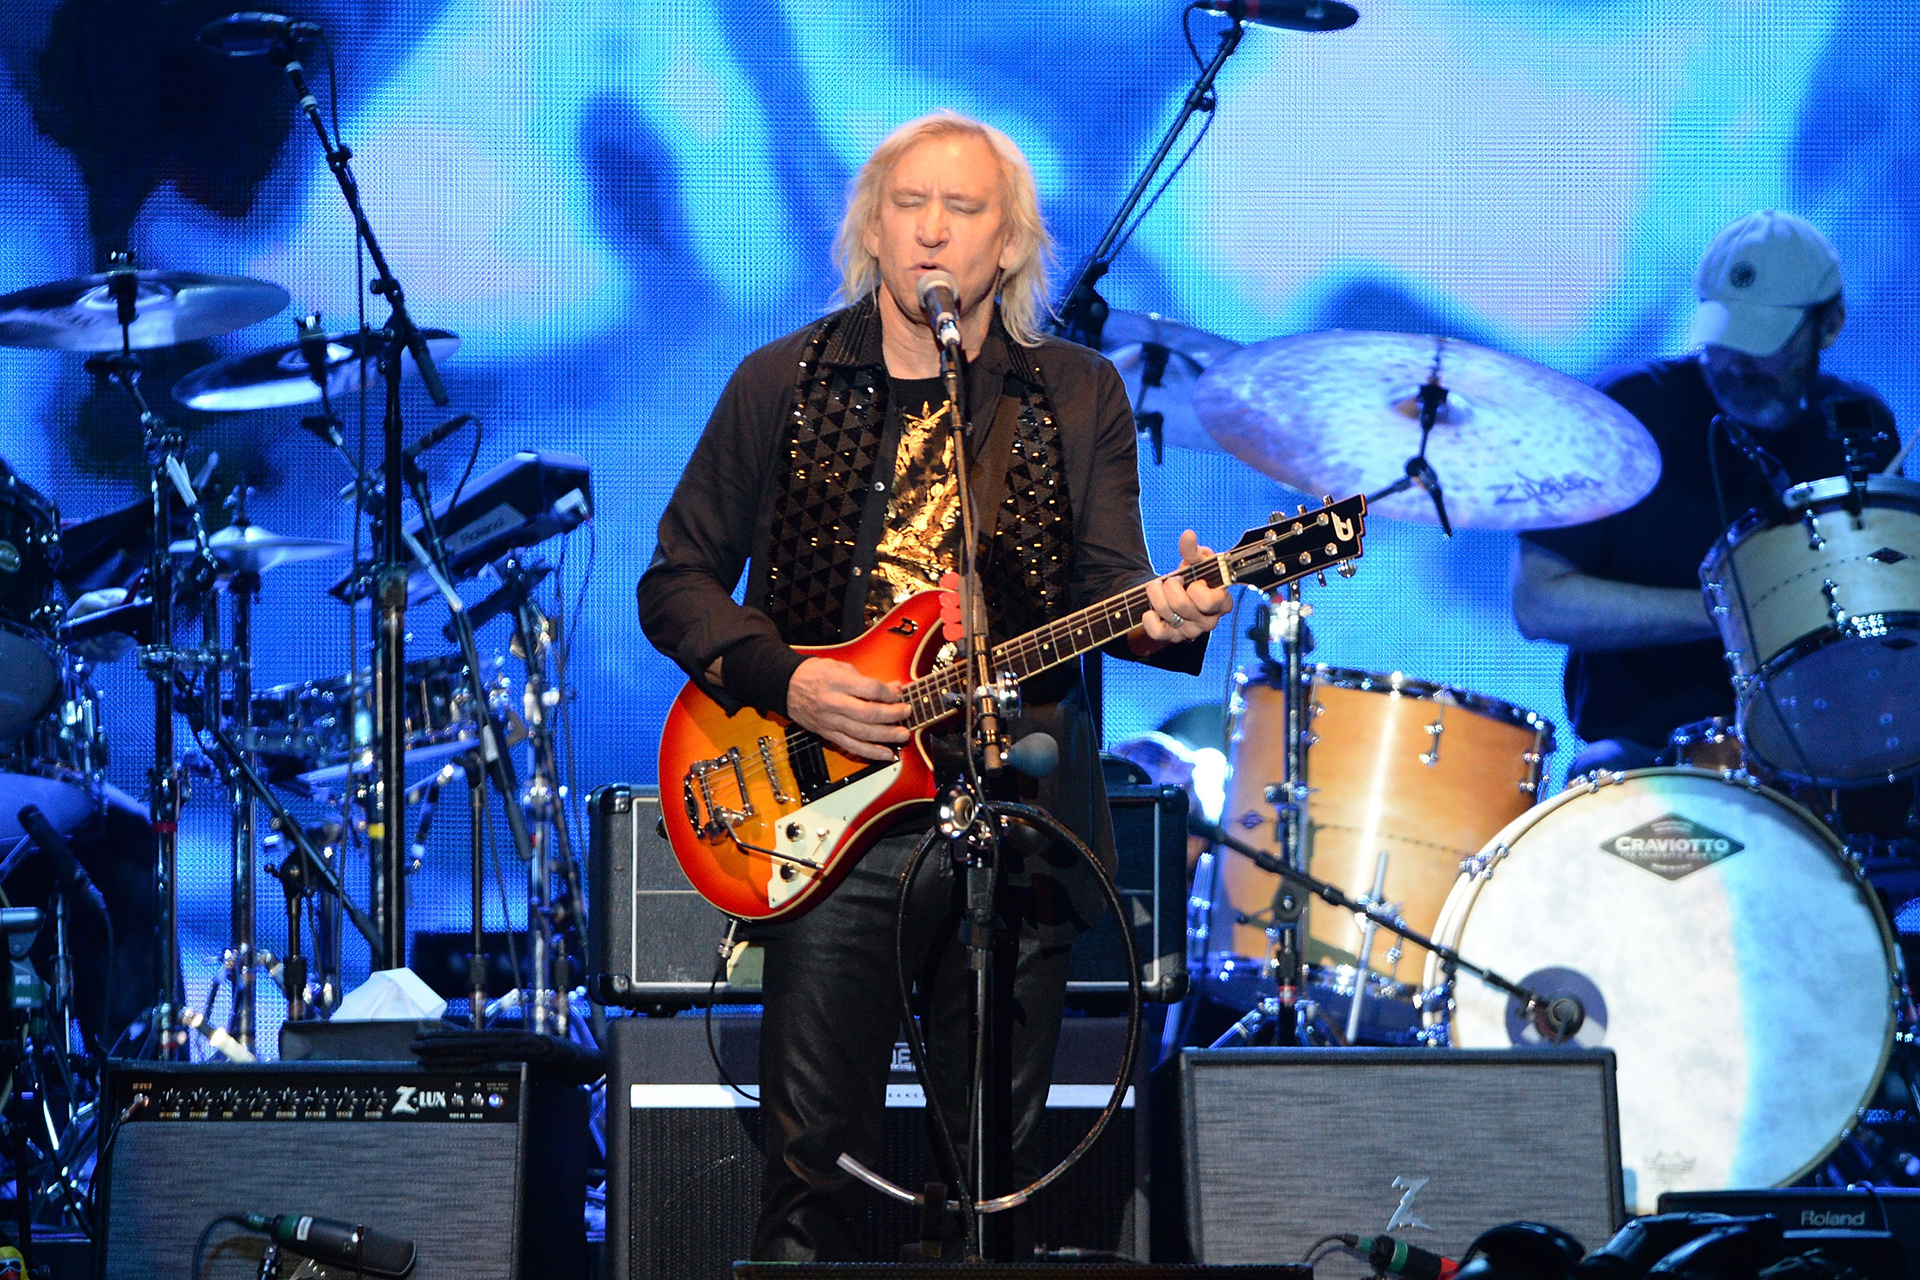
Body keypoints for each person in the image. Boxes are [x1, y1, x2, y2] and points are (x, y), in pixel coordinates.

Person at [638, 110, 1230, 1261]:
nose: (932, 234)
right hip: (829, 823)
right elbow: (677, 583)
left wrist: (1179, 609)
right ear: (871, 225)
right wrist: (793, 680)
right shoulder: (781, 382)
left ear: (1006, 247)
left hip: (1013, 827)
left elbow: (1113, 591)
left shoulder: (1073, 394)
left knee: (991, 1189)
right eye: (909, 204)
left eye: (963, 211)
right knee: (811, 1173)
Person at [1512, 210, 1901, 777]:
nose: (1736, 365)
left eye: (1763, 342)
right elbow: (1537, 602)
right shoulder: (1623, 412)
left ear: (1831, 326)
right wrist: (1733, 614)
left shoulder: (1859, 425)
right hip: (1648, 755)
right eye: (1724, 338)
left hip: (1827, 751)